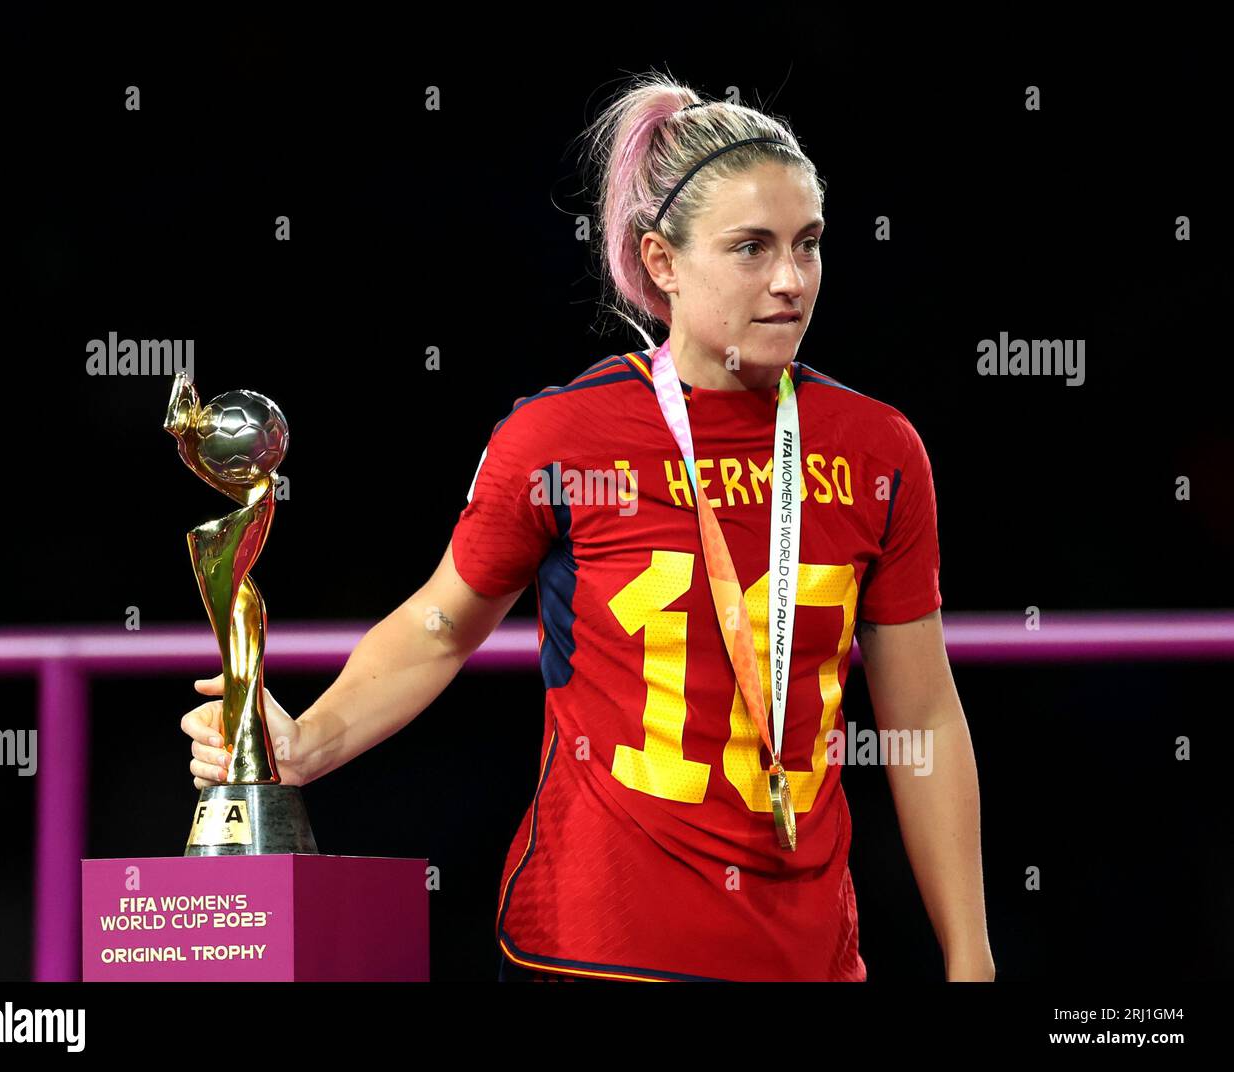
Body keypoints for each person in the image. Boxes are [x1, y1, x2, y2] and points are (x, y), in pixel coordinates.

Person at [181, 72, 994, 983]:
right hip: (592, 953)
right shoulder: (560, 436)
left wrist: (972, 961)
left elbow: (922, 711)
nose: (791, 280)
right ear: (661, 263)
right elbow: (440, 626)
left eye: (809, 244)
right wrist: (307, 743)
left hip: (808, 959)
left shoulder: (878, 448)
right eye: (751, 248)